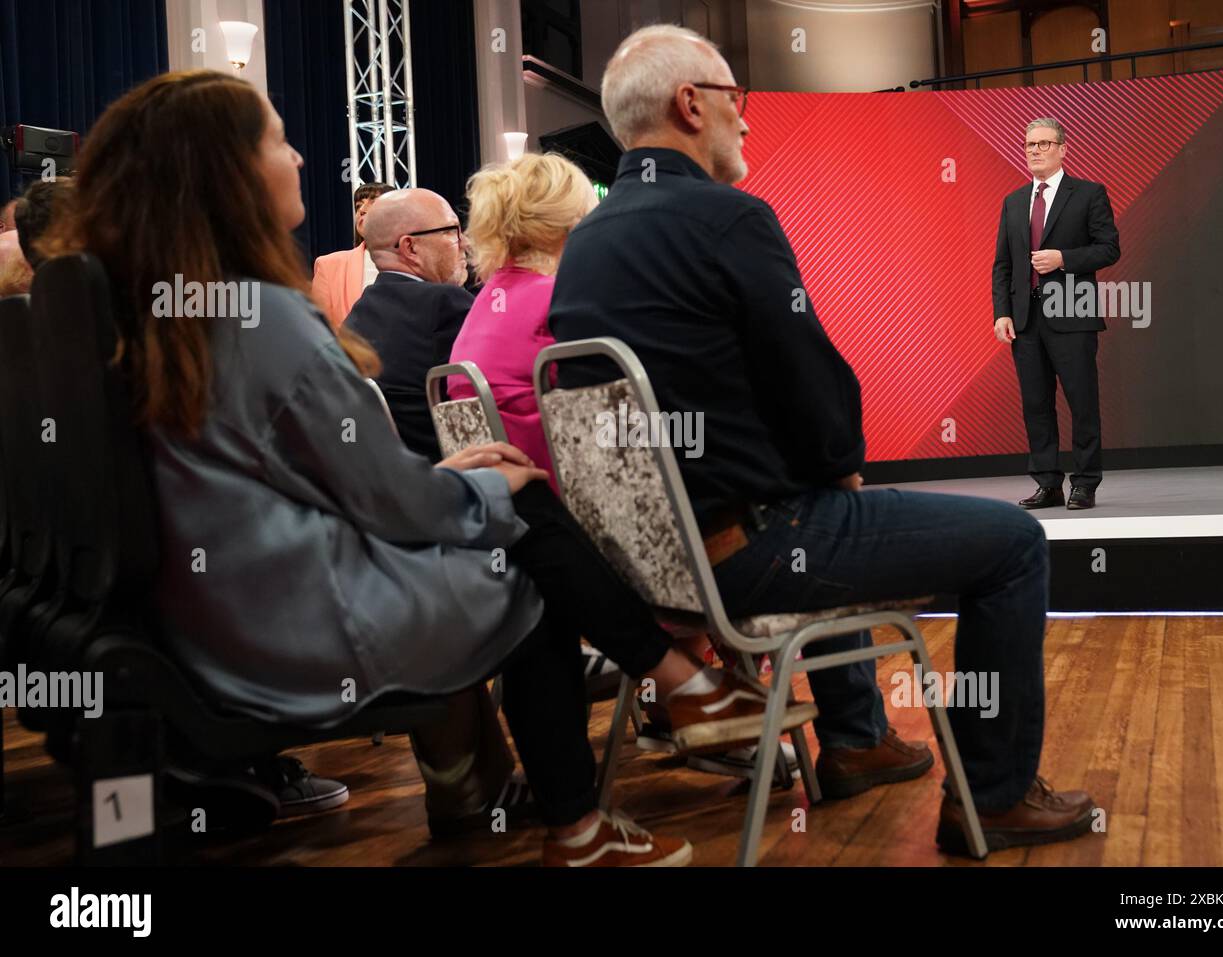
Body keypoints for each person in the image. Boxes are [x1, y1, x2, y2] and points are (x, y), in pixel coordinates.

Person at [50, 69, 798, 866]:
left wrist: (466, 479)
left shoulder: (155, 310)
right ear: (222, 171)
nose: (301, 156)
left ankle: (647, 720)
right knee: (532, 552)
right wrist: (478, 484)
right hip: (298, 625)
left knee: (516, 505)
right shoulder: (261, 316)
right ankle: (622, 766)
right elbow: (390, 501)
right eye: (277, 139)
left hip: (211, 609)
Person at [548, 24, 1096, 855]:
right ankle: (993, 793)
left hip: (656, 566)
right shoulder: (730, 219)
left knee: (818, 506)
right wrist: (841, 467)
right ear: (690, 104)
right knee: (1013, 542)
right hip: (751, 551)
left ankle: (856, 740)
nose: (748, 119)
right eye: (738, 99)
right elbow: (815, 385)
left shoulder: (583, 242)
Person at [450, 151, 802, 782]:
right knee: (748, 523)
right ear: (572, 223)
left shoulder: (487, 305)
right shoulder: (564, 304)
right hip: (599, 538)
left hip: (535, 533)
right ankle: (754, 712)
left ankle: (685, 705)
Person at [993, 118, 1120, 511]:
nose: (1035, 150)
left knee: (1082, 402)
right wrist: (1002, 313)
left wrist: (1064, 259)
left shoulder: (1088, 193)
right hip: (1026, 319)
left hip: (1072, 312)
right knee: (1036, 405)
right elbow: (1003, 264)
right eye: (1030, 144)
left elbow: (1109, 248)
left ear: (1063, 149)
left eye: (1044, 144)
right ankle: (1048, 483)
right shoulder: (1014, 201)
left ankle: (1085, 483)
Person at [342, 188, 473, 462]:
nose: (465, 243)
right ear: (410, 247)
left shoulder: (359, 312)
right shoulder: (444, 304)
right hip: (450, 480)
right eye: (452, 231)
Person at [311, 182, 394, 329]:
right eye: (358, 206)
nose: (362, 210)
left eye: (372, 203)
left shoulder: (417, 261)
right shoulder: (328, 265)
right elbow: (319, 329)